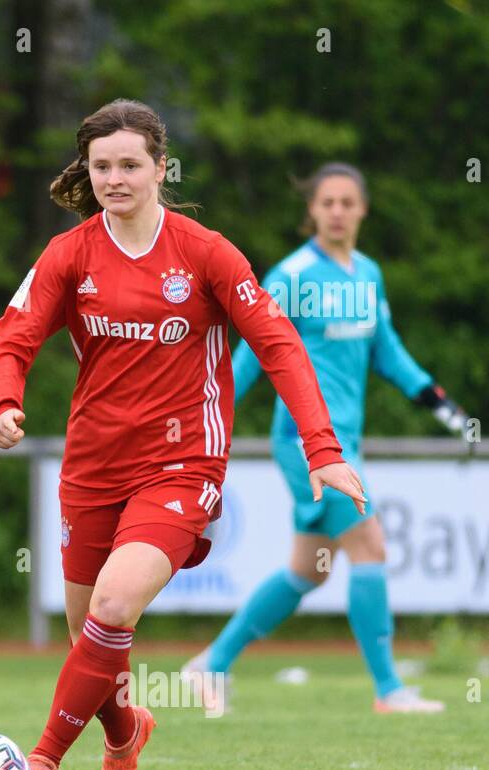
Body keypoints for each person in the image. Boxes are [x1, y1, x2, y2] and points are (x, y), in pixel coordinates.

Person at [0, 99, 365, 770]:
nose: (115, 179)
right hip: (92, 464)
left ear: (161, 167)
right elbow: (12, 335)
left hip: (183, 463)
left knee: (114, 606)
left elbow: (280, 345)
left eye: (130, 164)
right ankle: (126, 739)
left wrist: (322, 450)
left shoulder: (206, 253)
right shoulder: (69, 254)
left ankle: (41, 761)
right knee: (90, 640)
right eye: (101, 167)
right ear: (86, 171)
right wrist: (1, 400)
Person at [182, 163, 468, 714]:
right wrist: (204, 424)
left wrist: (434, 397)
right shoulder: (291, 277)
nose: (337, 211)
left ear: (363, 209)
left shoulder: (367, 274)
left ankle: (210, 664)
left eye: (347, 202)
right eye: (327, 202)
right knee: (371, 544)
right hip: (302, 443)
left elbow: (386, 349)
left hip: (345, 444)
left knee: (307, 571)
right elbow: (249, 358)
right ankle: (389, 691)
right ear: (310, 210)